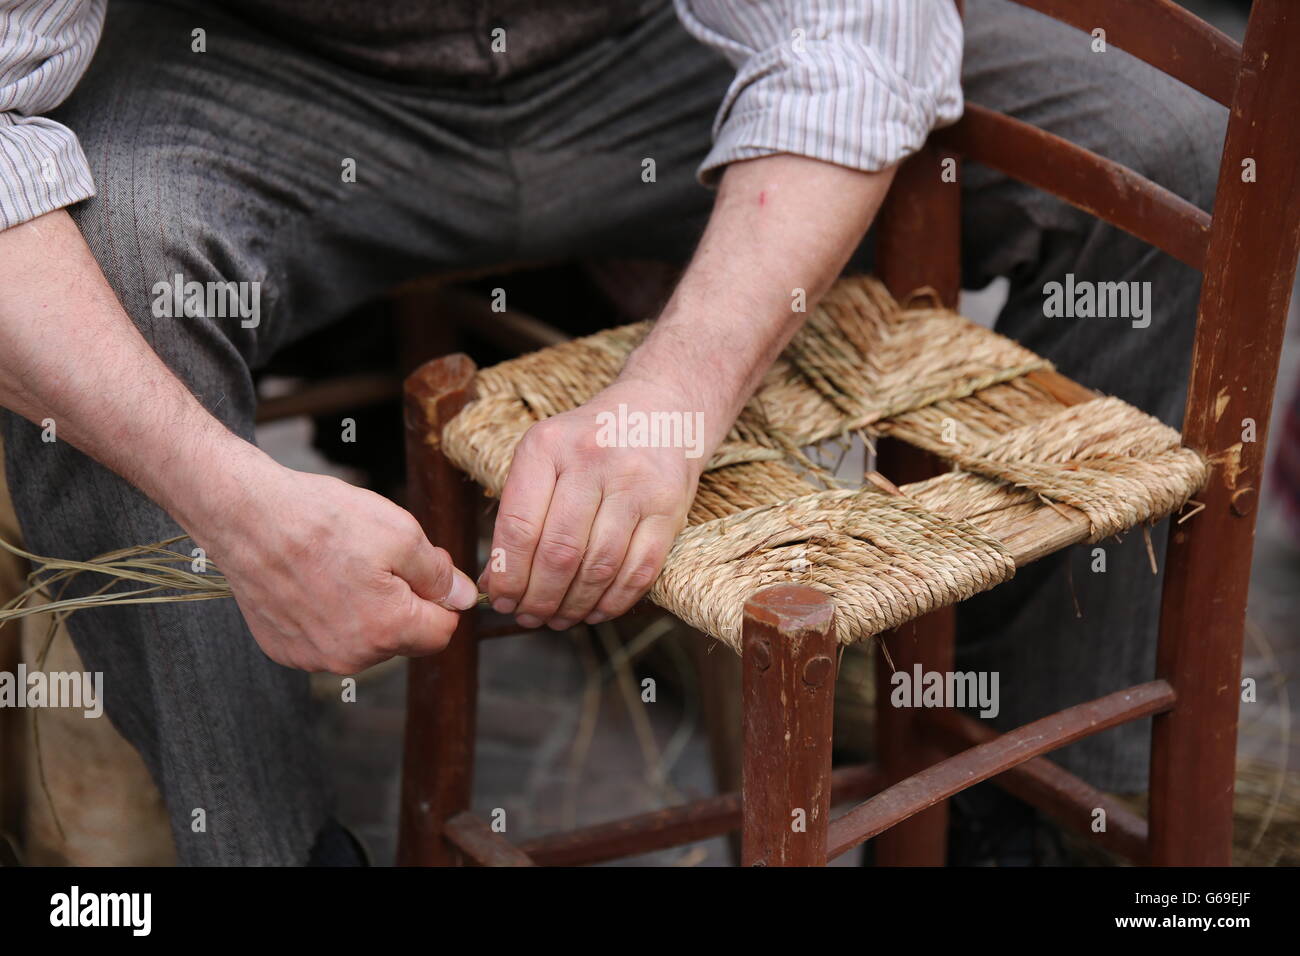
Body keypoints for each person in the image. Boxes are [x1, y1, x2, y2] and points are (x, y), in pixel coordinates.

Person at [0, 0, 1225, 864]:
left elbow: (854, 35)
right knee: (91, 303)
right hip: (260, 70)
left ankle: (1019, 816)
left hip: (651, 47)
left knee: (1172, 149)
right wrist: (234, 505)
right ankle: (275, 848)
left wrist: (670, 401)